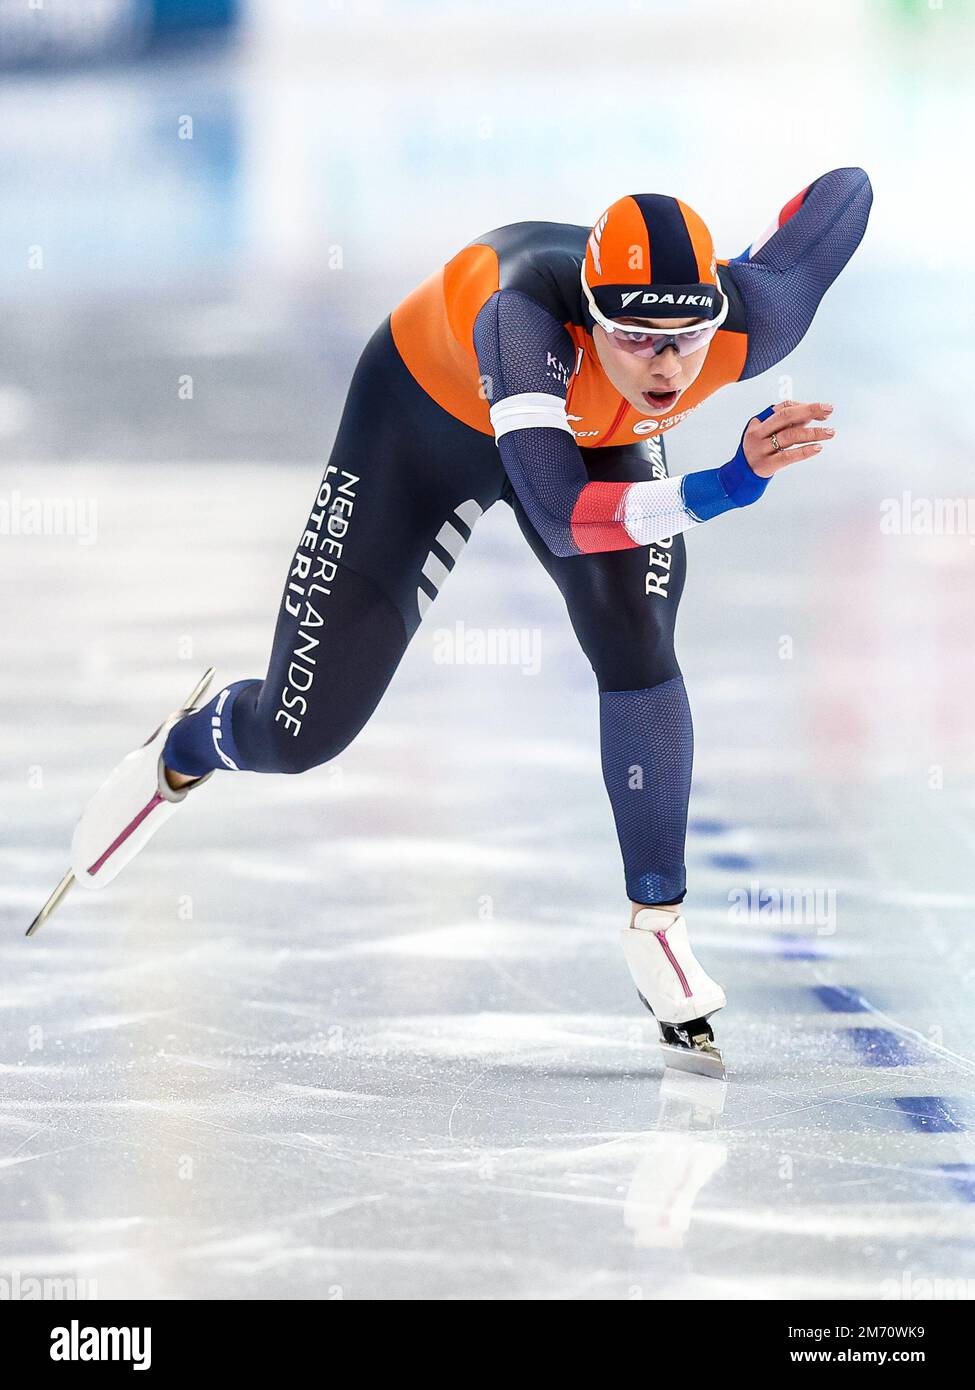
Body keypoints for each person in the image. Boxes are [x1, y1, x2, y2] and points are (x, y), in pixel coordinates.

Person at [36, 167, 873, 1074]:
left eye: (685, 337)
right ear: (592, 315)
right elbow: (560, 515)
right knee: (300, 732)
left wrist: (754, 261)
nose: (666, 367)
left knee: (638, 645)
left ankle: (657, 924)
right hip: (423, 425)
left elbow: (847, 194)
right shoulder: (519, 320)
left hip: (595, 436)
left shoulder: (750, 319)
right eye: (635, 337)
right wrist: (722, 486)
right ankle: (189, 746)